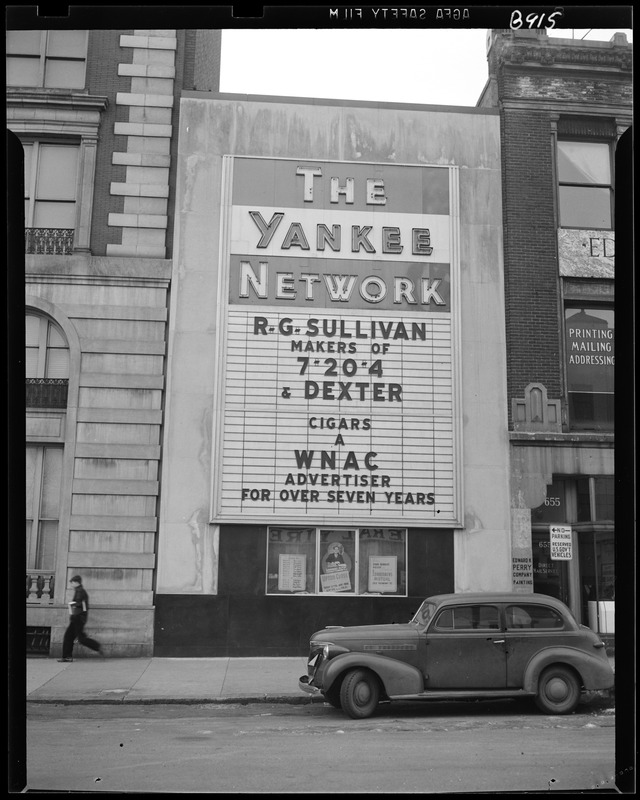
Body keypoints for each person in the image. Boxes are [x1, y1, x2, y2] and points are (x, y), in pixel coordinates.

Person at [58, 575, 102, 661]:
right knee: (73, 637)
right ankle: (67, 656)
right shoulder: (80, 591)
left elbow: (80, 605)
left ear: (76, 582)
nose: (71, 585)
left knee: (74, 638)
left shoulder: (80, 591)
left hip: (77, 618)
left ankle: (97, 646)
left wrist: (71, 605)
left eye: (72, 583)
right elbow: (83, 606)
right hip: (79, 618)